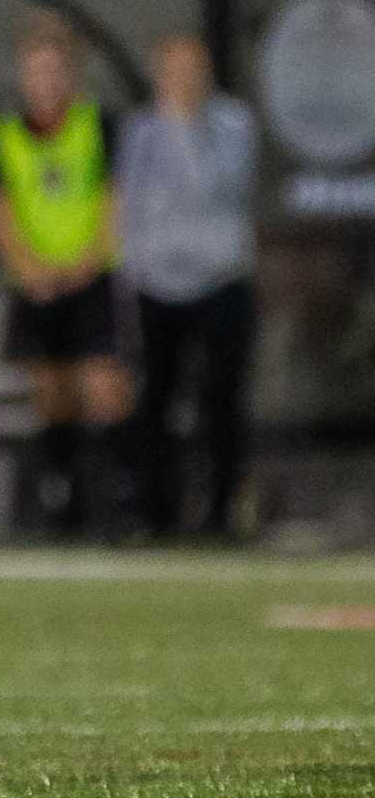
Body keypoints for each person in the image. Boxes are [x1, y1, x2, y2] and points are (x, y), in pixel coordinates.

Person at [0, 15, 128, 538]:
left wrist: (92, 257)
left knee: (104, 387)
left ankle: (111, 500)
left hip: (91, 276)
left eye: (56, 69)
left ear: (73, 73)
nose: (47, 80)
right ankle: (57, 497)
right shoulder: (3, 132)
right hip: (35, 281)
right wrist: (27, 268)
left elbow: (115, 196)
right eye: (37, 70)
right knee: (51, 391)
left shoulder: (98, 124)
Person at [117, 35, 257, 538]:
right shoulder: (139, 131)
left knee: (222, 400)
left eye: (192, 69)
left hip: (220, 280)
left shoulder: (234, 125)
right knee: (155, 400)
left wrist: (185, 131)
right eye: (173, 70)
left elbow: (219, 187)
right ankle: (157, 511)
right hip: (158, 285)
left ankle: (222, 510)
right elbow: (130, 203)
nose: (183, 80)